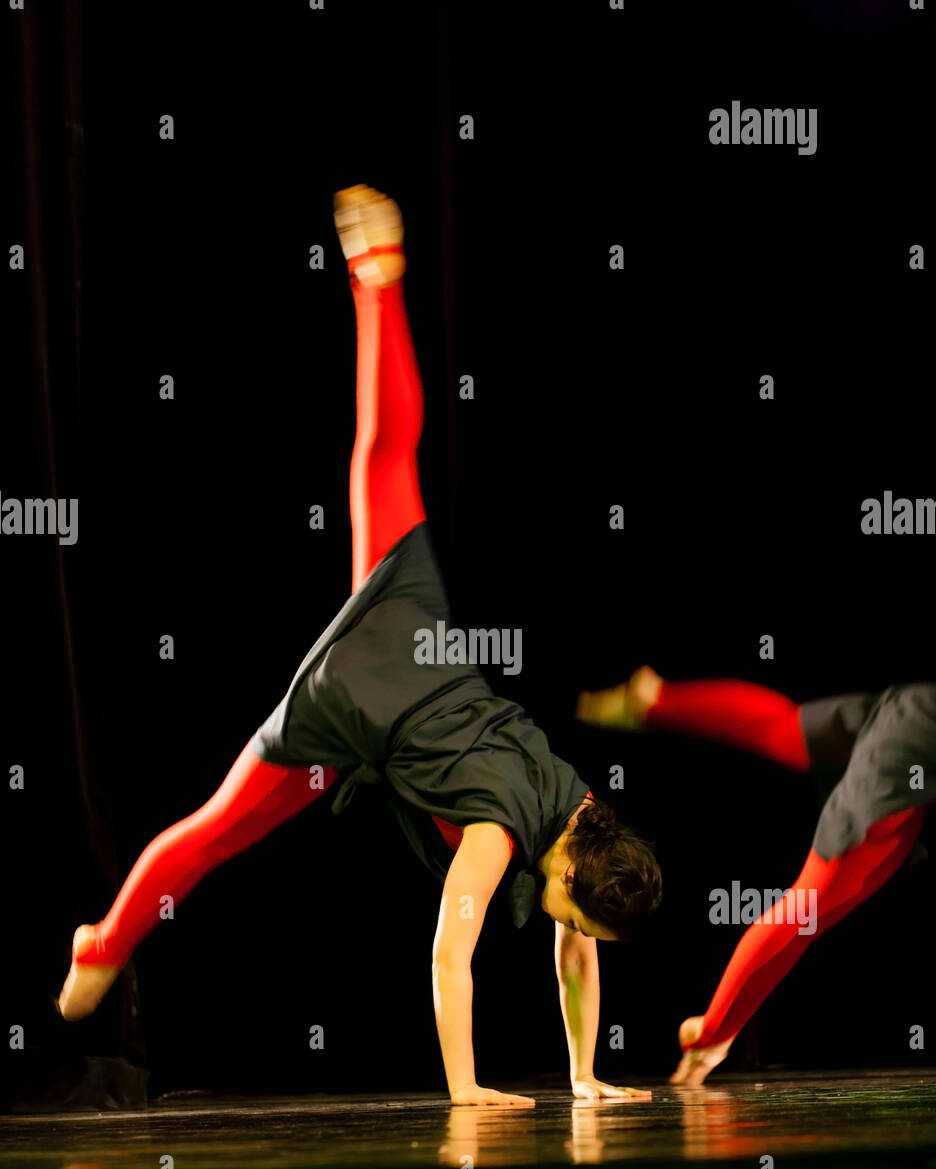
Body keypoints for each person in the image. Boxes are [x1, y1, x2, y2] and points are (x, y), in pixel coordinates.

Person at [57, 186, 662, 1108]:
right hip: (352, 705)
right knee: (215, 833)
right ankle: (99, 944)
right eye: (578, 911)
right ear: (571, 871)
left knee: (384, 461)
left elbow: (576, 948)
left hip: (417, 637)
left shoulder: (582, 810)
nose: (574, 931)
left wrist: (586, 1077)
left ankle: (377, 281)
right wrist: (467, 1090)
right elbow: (449, 954)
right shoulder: (500, 840)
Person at [577, 667, 936, 1085]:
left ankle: (657, 701)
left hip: (913, 708)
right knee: (806, 909)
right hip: (915, 741)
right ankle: (711, 1034)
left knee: (789, 729)